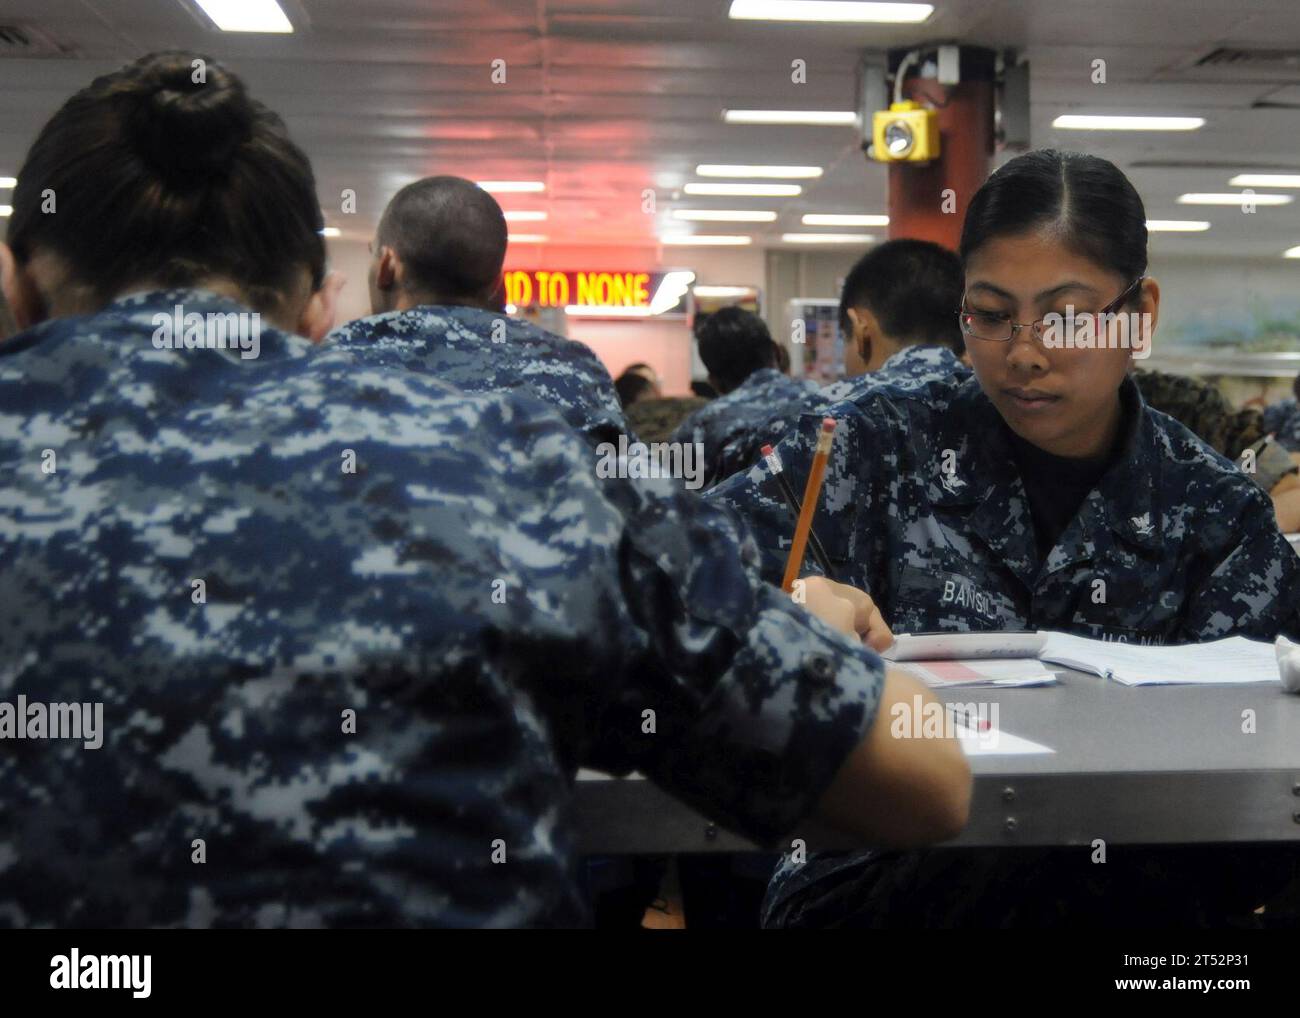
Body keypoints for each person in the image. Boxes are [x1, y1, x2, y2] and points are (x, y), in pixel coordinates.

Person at [0, 51, 970, 928]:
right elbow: (924, 781)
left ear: (18, 286)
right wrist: (786, 615)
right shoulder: (509, 460)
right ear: (311, 302)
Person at [710, 149, 1300, 928]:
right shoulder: (873, 441)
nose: (1025, 352)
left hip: (1131, 897)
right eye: (991, 315)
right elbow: (667, 584)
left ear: (1140, 314)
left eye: (1065, 316)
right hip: (876, 876)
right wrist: (786, 606)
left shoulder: (1214, 514)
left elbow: (1248, 794)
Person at [326, 175, 627, 449]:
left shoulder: (330, 364)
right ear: (497, 282)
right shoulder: (575, 370)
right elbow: (631, 489)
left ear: (387, 266)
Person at [723, 239, 972, 481]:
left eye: (844, 337)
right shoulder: (998, 404)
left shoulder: (815, 416)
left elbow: (721, 513)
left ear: (860, 328)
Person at [671, 306, 816, 486]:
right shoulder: (822, 400)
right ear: (777, 352)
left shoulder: (699, 429)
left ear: (713, 380)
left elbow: (679, 504)